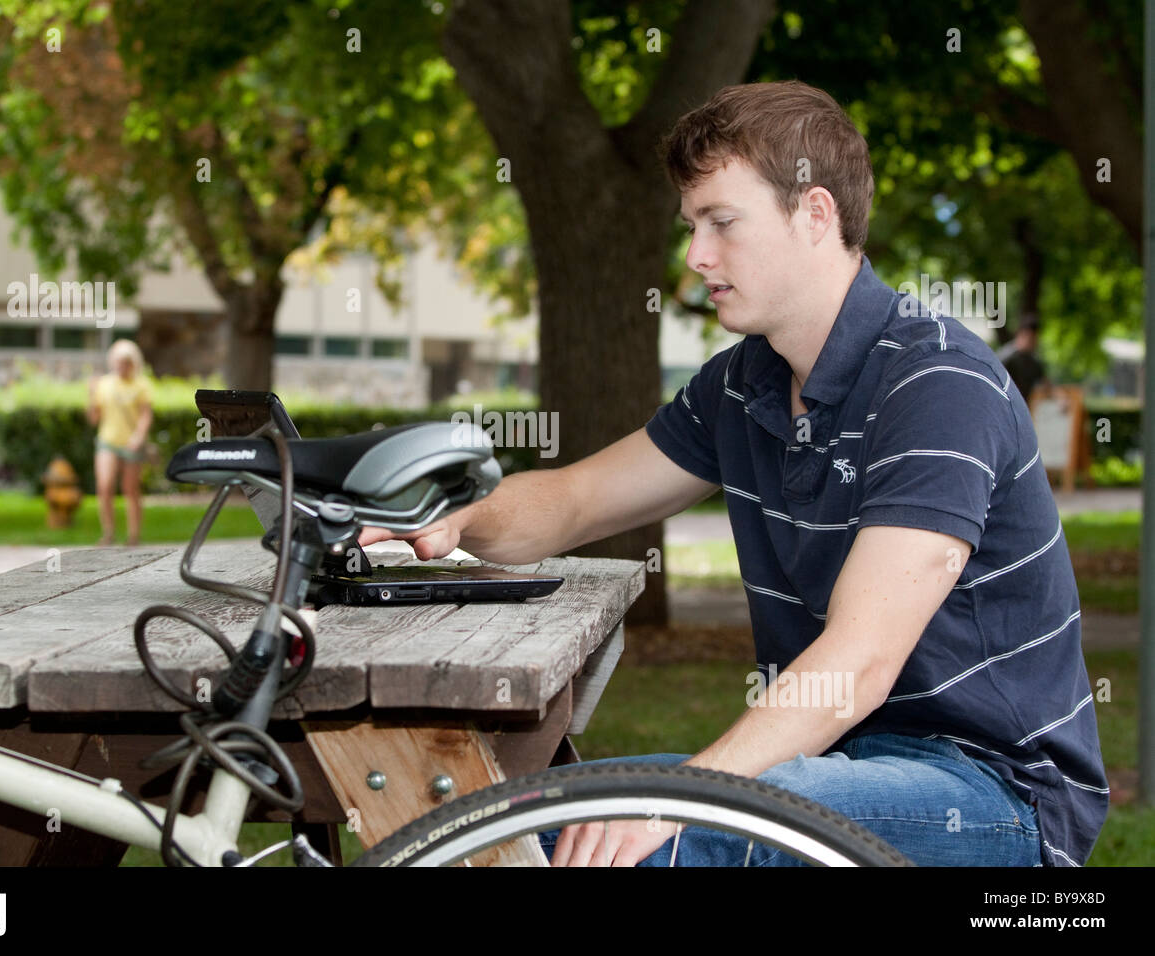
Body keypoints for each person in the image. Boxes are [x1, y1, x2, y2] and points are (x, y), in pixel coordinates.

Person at [360, 80, 1107, 868]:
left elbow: (858, 665)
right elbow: (573, 502)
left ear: (816, 214)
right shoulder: (741, 384)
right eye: (690, 226)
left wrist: (677, 796)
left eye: (721, 222)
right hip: (838, 762)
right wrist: (446, 512)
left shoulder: (937, 384)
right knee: (497, 820)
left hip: (996, 793)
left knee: (660, 842)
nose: (694, 256)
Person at [87, 338, 153, 547]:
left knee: (130, 489)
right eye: (118, 361)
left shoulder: (141, 385)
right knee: (104, 485)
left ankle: (134, 535)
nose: (121, 366)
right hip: (107, 441)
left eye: (126, 362)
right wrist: (90, 394)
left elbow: (145, 415)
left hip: (130, 443)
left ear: (134, 363)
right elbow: (94, 419)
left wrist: (139, 437)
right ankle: (108, 533)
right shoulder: (104, 384)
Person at [997, 315, 1051, 405]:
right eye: (1031, 338)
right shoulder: (1006, 357)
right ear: (1022, 335)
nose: (1035, 342)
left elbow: (1046, 384)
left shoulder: (1033, 361)